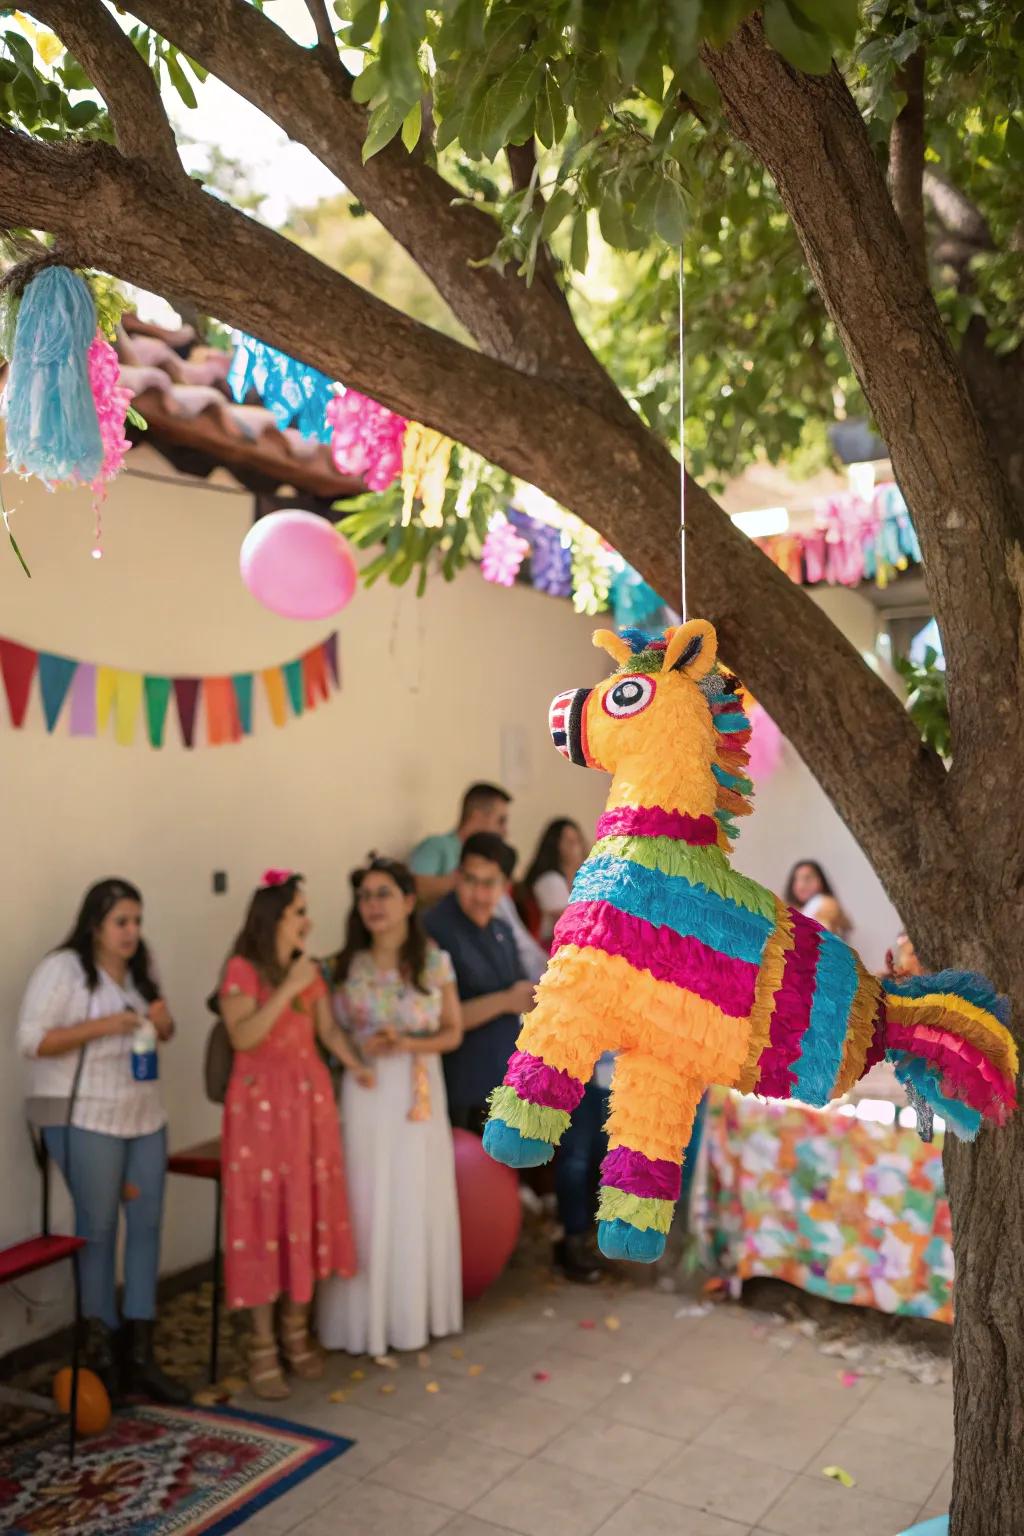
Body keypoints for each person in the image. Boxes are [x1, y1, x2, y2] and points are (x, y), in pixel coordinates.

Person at [17, 878, 188, 1404]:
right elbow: (31, 1042)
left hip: (142, 1114)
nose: (132, 932)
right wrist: (104, 1025)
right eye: (121, 922)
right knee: (98, 1228)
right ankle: (102, 1355)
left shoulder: (143, 966)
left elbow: (165, 1029)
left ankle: (140, 1353)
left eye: (137, 921)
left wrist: (162, 1025)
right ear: (95, 924)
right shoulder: (62, 970)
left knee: (147, 1226)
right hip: (84, 1115)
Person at [217, 870, 370, 1400]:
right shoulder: (242, 970)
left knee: (306, 1209)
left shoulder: (312, 972)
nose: (309, 921)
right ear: (274, 919)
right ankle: (262, 1344)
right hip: (259, 1113)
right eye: (299, 911)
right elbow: (244, 1035)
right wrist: (288, 986)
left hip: (308, 1106)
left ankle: (295, 1329)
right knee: (260, 1215)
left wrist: (357, 1066)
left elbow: (326, 1030)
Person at [317, 857, 463, 1358]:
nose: (373, 905)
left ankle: (413, 1316)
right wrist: (352, 1056)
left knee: (412, 1193)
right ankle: (360, 1322)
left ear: (407, 901)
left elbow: (453, 1032)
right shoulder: (345, 966)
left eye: (383, 894)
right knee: (365, 1195)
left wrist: (404, 1040)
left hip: (418, 1087)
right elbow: (328, 1028)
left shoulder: (434, 961)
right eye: (365, 896)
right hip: (365, 1086)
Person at [424, 834, 535, 1134]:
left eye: (489, 884)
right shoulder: (434, 928)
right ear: (456, 877)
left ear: (505, 888)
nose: (478, 893)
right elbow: (436, 1018)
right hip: (460, 1092)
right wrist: (505, 1001)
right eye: (470, 880)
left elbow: (518, 992)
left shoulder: (500, 928)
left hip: (505, 1083)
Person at [409, 782, 549, 983]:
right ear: (477, 816)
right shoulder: (437, 846)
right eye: (500, 821)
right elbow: (414, 887)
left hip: (487, 938)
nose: (505, 831)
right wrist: (471, 878)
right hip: (449, 948)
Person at [521, 818, 587, 946]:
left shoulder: (580, 879)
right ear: (555, 845)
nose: (574, 846)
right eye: (568, 841)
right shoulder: (550, 880)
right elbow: (569, 925)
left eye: (577, 840)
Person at [784, 859, 852, 939]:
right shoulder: (790, 910)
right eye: (796, 880)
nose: (801, 886)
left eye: (807, 879)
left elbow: (823, 933)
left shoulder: (826, 904)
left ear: (821, 881)